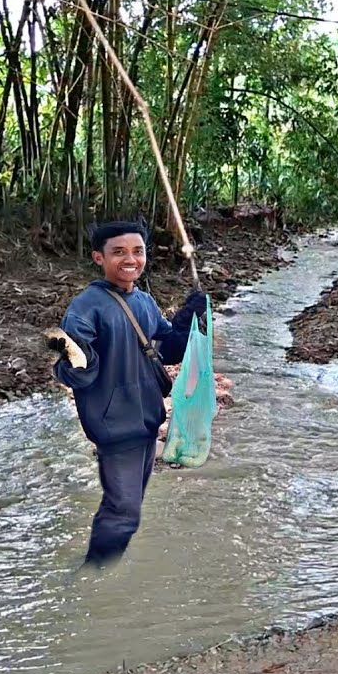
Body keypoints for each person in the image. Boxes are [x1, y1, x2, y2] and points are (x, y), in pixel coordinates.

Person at [46, 219, 206, 569]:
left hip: (146, 420)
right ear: (98, 258)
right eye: (118, 252)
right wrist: (70, 352)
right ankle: (93, 581)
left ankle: (99, 571)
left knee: (126, 505)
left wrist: (189, 318)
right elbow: (78, 373)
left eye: (138, 251)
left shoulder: (145, 302)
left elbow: (169, 350)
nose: (130, 259)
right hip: (114, 426)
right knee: (124, 510)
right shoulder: (85, 308)